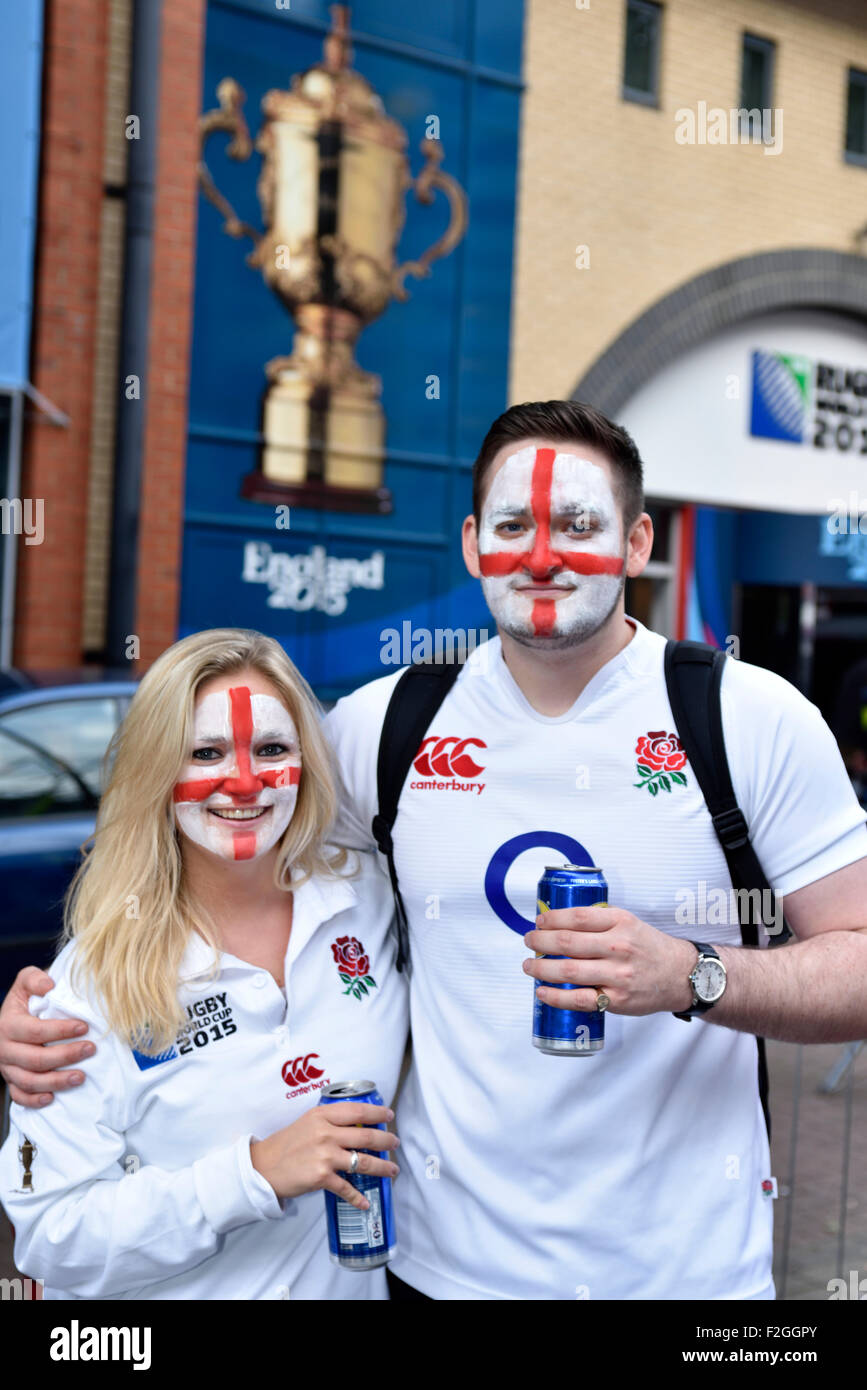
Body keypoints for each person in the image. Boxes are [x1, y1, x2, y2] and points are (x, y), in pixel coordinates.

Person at [3, 400, 867, 1300]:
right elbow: (226, 853)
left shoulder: (748, 719)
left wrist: (693, 975)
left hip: (683, 1278)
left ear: (636, 541)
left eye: (578, 524)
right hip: (438, 1274)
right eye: (511, 526)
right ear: (468, 543)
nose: (541, 555)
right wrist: (69, 1006)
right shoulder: (383, 727)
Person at [0, 629, 406, 1299]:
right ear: (157, 770)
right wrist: (253, 1174)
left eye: (271, 749)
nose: (243, 782)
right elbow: (51, 1235)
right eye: (206, 753)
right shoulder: (91, 984)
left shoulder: (367, 894)